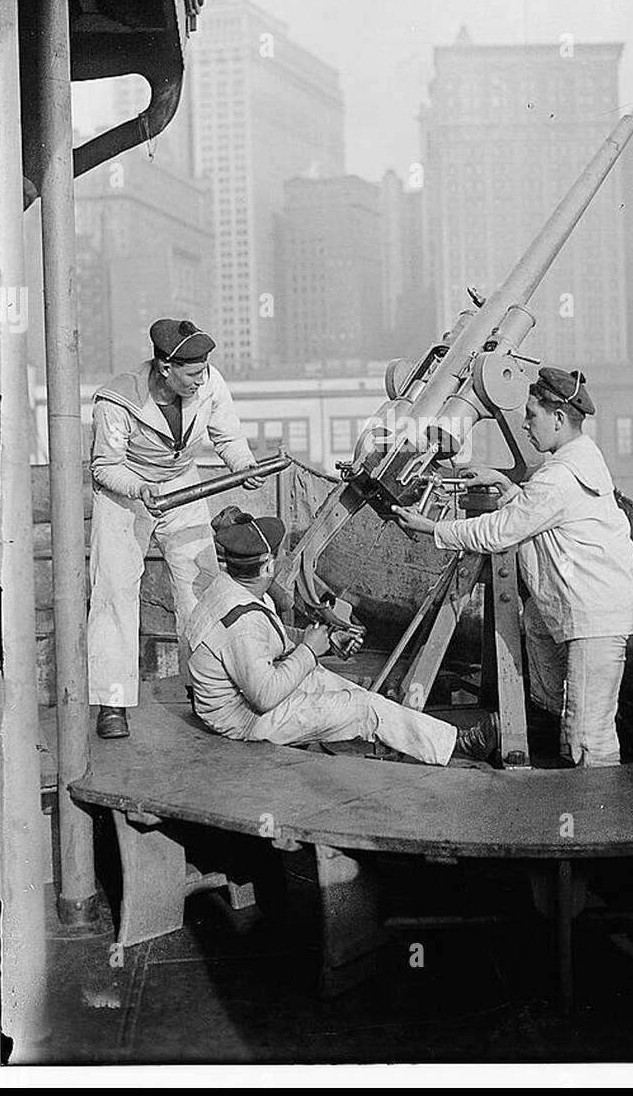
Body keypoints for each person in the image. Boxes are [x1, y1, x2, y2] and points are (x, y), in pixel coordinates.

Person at [393, 367, 633, 768]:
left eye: (531, 415)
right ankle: (572, 793)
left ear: (559, 419)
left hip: (597, 618)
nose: (525, 424)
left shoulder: (561, 476)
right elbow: (543, 512)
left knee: (590, 737)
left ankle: (601, 817)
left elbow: (501, 531)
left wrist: (432, 528)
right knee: (547, 659)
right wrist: (504, 483)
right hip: (590, 607)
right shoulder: (578, 459)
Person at [185, 512, 499, 765]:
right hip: (244, 720)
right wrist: (308, 649)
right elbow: (264, 695)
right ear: (267, 566)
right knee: (365, 709)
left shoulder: (229, 588)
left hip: (245, 700)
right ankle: (460, 745)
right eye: (278, 558)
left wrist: (325, 642)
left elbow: (264, 643)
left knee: (340, 687)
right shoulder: (242, 620)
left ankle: (406, 732)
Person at [87, 318, 262, 739]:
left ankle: (202, 689)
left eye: (204, 370)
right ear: (165, 367)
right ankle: (112, 704)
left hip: (182, 483)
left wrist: (243, 464)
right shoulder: (117, 399)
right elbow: (104, 465)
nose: (201, 381)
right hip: (126, 489)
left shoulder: (209, 382)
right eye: (192, 373)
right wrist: (139, 488)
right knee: (114, 592)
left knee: (200, 585)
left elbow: (228, 436)